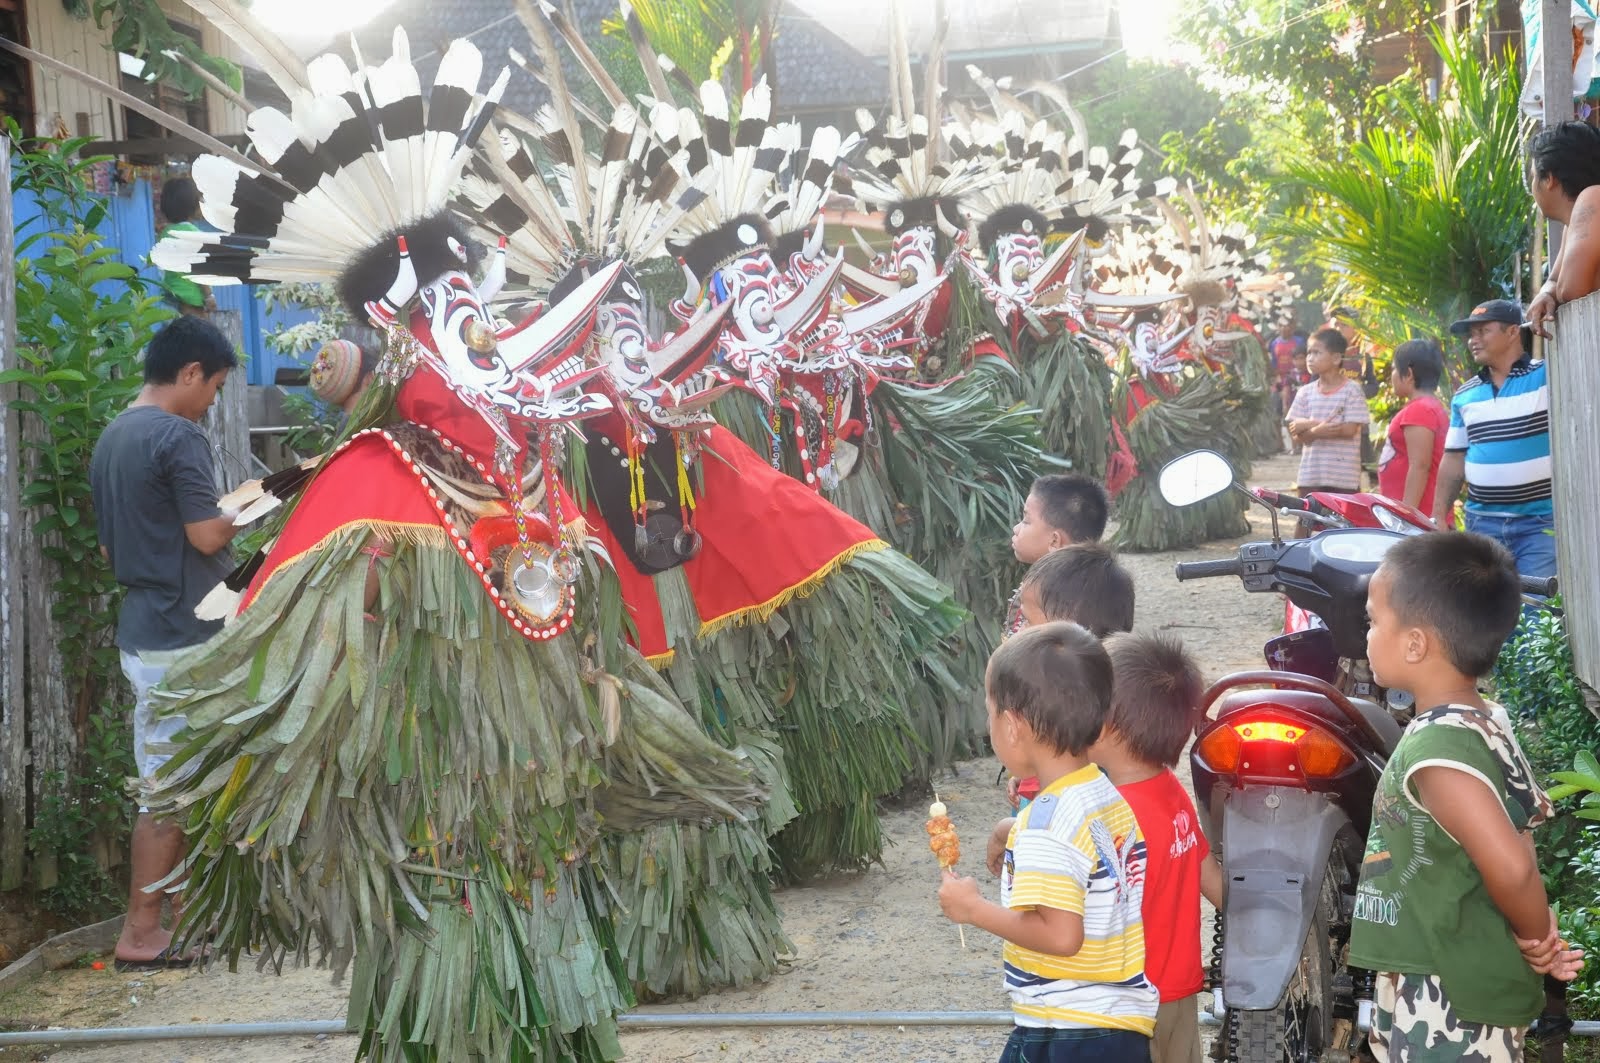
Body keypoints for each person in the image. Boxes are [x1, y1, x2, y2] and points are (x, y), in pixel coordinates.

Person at [1352, 533, 1583, 1060]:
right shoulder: (1483, 721)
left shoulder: (1439, 753)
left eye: (1373, 620)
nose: (1367, 635)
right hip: (1447, 970)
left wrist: (1535, 938)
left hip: (1447, 995)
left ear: (1415, 644)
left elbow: (1513, 867)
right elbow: (1521, 835)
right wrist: (1541, 928)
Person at [88, 315, 240, 969]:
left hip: (145, 631)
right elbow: (207, 535)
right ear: (189, 373)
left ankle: (180, 916)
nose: (213, 402)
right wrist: (249, 509)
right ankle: (141, 931)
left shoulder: (113, 436)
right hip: (181, 635)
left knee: (182, 783)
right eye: (216, 387)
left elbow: (105, 545)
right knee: (170, 793)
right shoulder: (178, 436)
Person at [940, 622, 1159, 1062]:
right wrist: (1012, 830)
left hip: (1067, 1027)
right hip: (1115, 1023)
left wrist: (974, 910)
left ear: (1013, 726)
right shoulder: (1100, 793)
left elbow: (1061, 936)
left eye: (990, 713)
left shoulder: (1047, 821)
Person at [1088, 633, 1224, 1063]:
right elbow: (1217, 886)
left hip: (1126, 1004)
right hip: (1179, 995)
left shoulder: (1112, 819)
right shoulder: (1172, 793)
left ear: (1107, 725)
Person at [1009, 542, 1136, 810]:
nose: (1019, 633)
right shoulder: (1073, 685)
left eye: (1029, 623)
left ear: (1070, 635)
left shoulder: (1083, 704)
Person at [1432, 300, 1554, 578]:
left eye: (1483, 331)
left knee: (1536, 614)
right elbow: (1454, 457)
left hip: (1539, 524)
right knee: (1486, 613)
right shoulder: (1465, 394)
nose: (1473, 341)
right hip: (1481, 525)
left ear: (1512, 332)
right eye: (1471, 334)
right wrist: (1440, 515)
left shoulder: (1547, 376)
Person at [1006, 473, 1109, 637]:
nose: (1016, 529)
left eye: (1026, 521)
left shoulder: (1055, 604)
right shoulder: (1099, 585)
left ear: (1054, 541)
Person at [1525, 121, 1600, 338]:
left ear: (1549, 179)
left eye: (1533, 177)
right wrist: (1546, 293)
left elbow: (1570, 289)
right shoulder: (1574, 224)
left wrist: (1555, 293)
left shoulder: (1593, 198)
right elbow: (1555, 282)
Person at [1286, 328, 1370, 509]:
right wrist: (1314, 431)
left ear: (1336, 358)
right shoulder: (1305, 393)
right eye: (1309, 352)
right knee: (1305, 521)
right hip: (1311, 473)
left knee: (1343, 526)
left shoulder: (1352, 390)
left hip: (1344, 476)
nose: (1310, 358)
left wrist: (1310, 426)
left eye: (1316, 352)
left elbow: (1349, 430)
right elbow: (1296, 434)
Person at [1376, 338, 1450, 522]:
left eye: (1393, 368)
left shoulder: (1420, 410)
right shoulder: (1428, 407)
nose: (1391, 375)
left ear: (1408, 374)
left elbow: (1420, 465)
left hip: (1419, 520)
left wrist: (1406, 516)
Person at [154, 177, 213, 317]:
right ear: (190, 205)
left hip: (171, 299)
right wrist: (209, 296)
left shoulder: (165, 233)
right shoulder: (192, 234)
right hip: (191, 301)